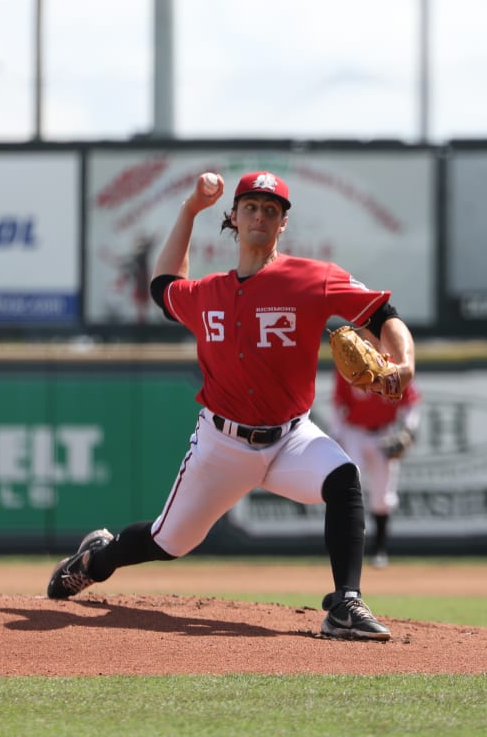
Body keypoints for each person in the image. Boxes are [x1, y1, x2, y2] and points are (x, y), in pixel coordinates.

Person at [46, 170, 416, 641]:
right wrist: (188, 210)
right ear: (234, 219)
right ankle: (96, 559)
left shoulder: (313, 278)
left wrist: (402, 364)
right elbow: (162, 286)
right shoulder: (207, 294)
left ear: (283, 223)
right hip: (222, 443)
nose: (260, 216)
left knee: (344, 479)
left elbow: (384, 313)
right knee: (168, 541)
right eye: (251, 208)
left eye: (271, 210)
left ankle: (345, 603)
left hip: (290, 437)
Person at [331, 374, 421, 568]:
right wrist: (337, 435)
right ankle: (348, 550)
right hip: (354, 432)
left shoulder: (395, 366)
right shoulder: (349, 360)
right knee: (349, 489)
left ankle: (379, 550)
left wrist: (408, 431)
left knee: (382, 496)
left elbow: (410, 402)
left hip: (384, 433)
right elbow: (338, 404)